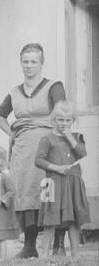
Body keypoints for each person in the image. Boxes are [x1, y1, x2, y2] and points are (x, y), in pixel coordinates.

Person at [0, 43, 67, 257]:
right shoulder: (15, 92)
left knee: (51, 191)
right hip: (23, 153)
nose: (29, 66)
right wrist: (12, 133)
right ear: (20, 63)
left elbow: (62, 114)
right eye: (25, 61)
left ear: (41, 63)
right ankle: (29, 246)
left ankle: (58, 245)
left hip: (48, 147)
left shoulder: (54, 86)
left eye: (34, 61)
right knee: (25, 193)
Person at [35, 101, 89, 256]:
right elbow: (38, 160)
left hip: (73, 183)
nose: (64, 123)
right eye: (60, 119)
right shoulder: (47, 138)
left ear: (73, 121)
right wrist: (56, 167)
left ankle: (75, 254)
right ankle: (44, 254)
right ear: (54, 120)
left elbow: (82, 153)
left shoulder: (77, 137)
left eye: (68, 120)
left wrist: (69, 136)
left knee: (74, 221)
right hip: (51, 183)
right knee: (49, 220)